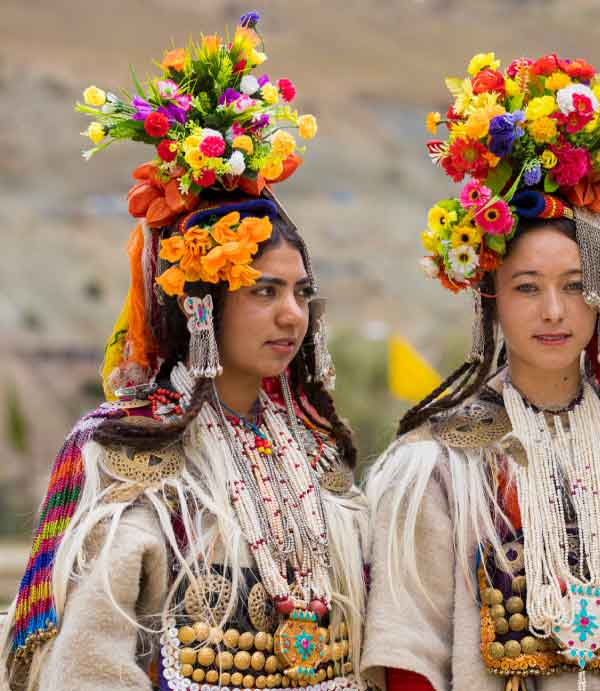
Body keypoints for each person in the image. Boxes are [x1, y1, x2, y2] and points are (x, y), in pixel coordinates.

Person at [0, 12, 372, 691]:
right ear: (200, 305)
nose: (292, 314)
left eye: (300, 292)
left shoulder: (317, 450)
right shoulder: (130, 454)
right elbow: (88, 663)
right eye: (263, 291)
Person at [361, 53, 600, 691]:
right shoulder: (438, 464)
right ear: (491, 297)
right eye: (527, 287)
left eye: (575, 286)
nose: (554, 311)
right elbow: (409, 648)